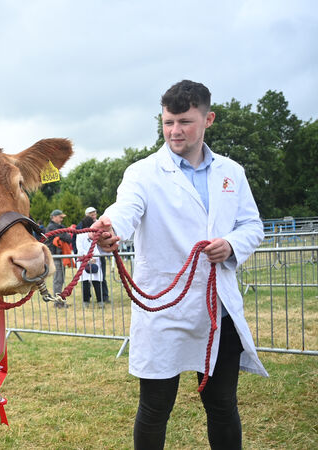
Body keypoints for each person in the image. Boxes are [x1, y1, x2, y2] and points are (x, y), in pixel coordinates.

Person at [92, 80, 267, 449]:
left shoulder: (231, 172)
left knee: (222, 404)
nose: (175, 131)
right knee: (155, 407)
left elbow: (252, 224)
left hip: (217, 307)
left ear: (208, 119)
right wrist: (110, 228)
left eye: (185, 121)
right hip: (164, 308)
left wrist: (232, 244)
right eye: (168, 121)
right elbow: (126, 209)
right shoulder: (142, 173)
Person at [76, 207, 109, 303]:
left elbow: (95, 247)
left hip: (93, 259)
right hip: (87, 260)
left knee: (97, 280)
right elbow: (80, 248)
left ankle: (95, 300)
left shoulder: (94, 234)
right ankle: (98, 301)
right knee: (90, 281)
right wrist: (90, 258)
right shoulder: (82, 234)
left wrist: (92, 257)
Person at [45, 209, 73, 299]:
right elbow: (66, 236)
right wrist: (66, 235)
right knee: (58, 279)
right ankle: (58, 301)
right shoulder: (52, 227)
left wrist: (66, 235)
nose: (61, 219)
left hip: (60, 255)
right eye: (60, 217)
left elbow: (68, 237)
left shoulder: (59, 226)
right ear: (54, 217)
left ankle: (60, 299)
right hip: (56, 256)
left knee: (61, 279)